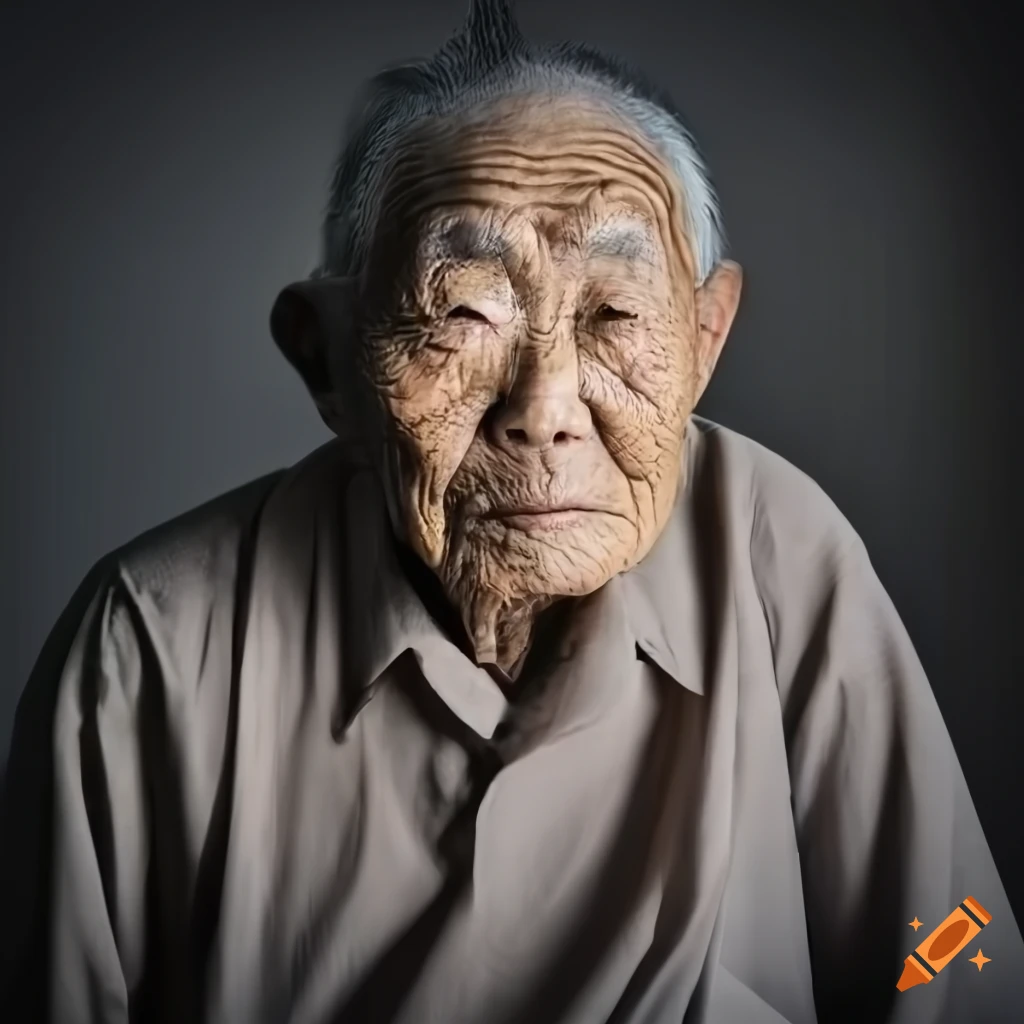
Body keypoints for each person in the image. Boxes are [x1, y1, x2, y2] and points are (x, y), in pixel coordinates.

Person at [2, 1, 1022, 1021]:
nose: (544, 411)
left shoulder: (777, 554)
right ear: (330, 358)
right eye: (463, 313)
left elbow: (963, 939)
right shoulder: (150, 644)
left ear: (705, 339)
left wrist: (918, 994)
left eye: (614, 314)